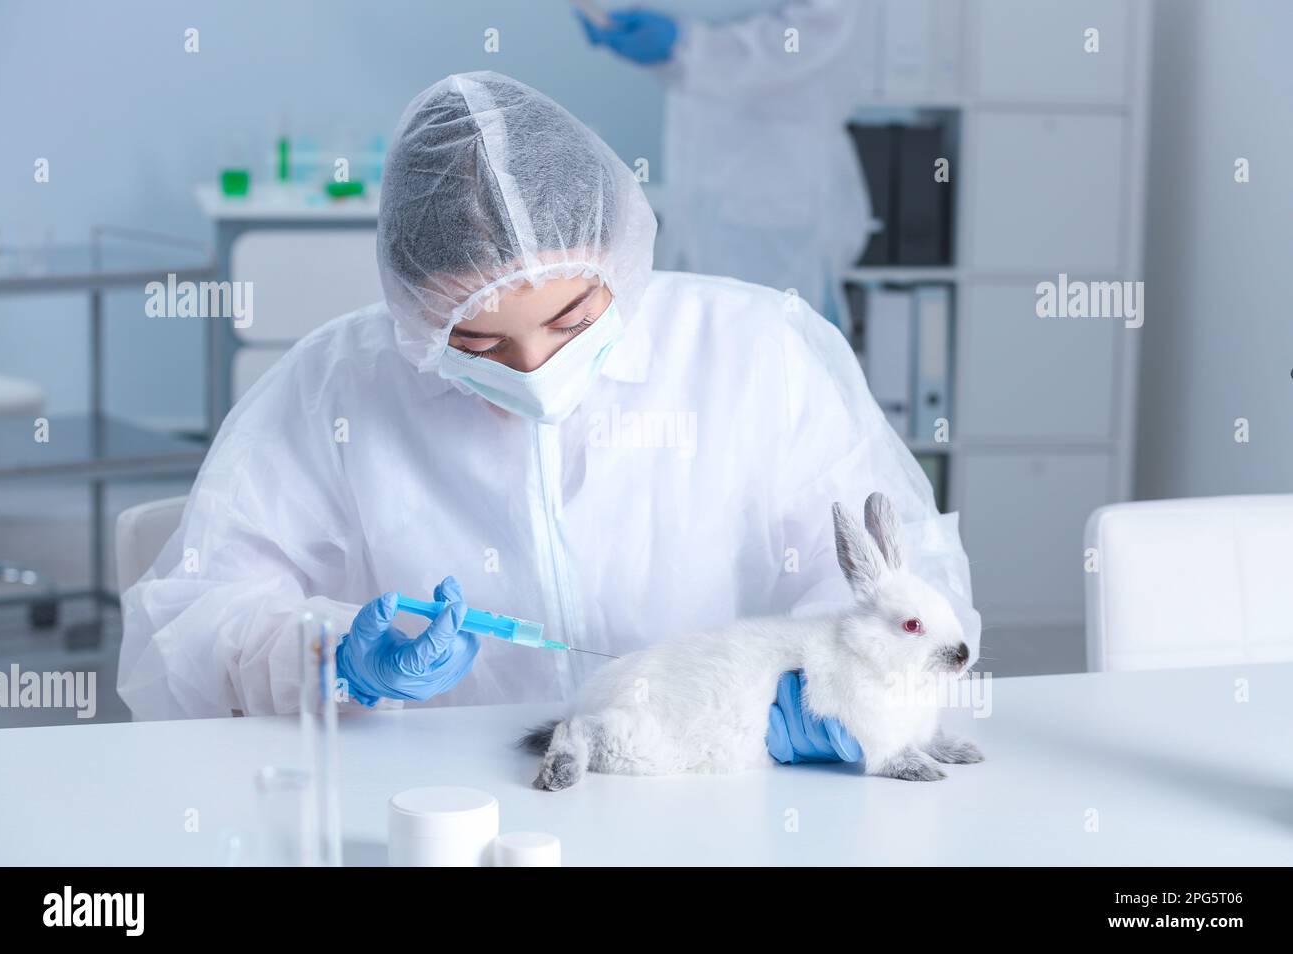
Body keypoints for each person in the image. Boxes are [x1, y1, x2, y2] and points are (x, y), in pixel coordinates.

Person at [118, 72, 977, 766]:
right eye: (481, 342)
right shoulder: (336, 388)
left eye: (571, 322)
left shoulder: (755, 352)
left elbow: (907, 583)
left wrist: (820, 691)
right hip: (439, 801)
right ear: (414, 315)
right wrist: (337, 660)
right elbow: (195, 623)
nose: (536, 368)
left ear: (623, 255)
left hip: (723, 781)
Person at [579, 0, 875, 326]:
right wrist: (647, 39)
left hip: (778, 198)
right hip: (704, 191)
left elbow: (806, 40)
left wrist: (687, 43)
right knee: (705, 338)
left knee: (775, 344)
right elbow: (697, 71)